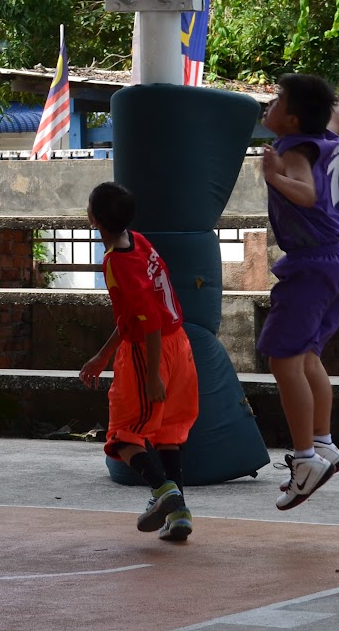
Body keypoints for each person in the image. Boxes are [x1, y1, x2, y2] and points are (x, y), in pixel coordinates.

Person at [258, 71, 339, 510]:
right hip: (337, 261)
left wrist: (273, 176)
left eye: (278, 99)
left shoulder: (294, 150)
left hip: (311, 265)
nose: (270, 103)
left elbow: (305, 192)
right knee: (307, 357)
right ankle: (325, 443)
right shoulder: (325, 138)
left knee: (282, 359)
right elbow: (338, 119)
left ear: (293, 120)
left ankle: (305, 459)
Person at [80, 181, 200, 543]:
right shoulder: (140, 241)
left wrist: (151, 376)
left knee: (121, 436)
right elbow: (135, 315)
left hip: (149, 350)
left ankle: (163, 492)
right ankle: (179, 515)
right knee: (168, 434)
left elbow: (146, 321)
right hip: (179, 346)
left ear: (93, 219)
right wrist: (103, 354)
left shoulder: (117, 262)